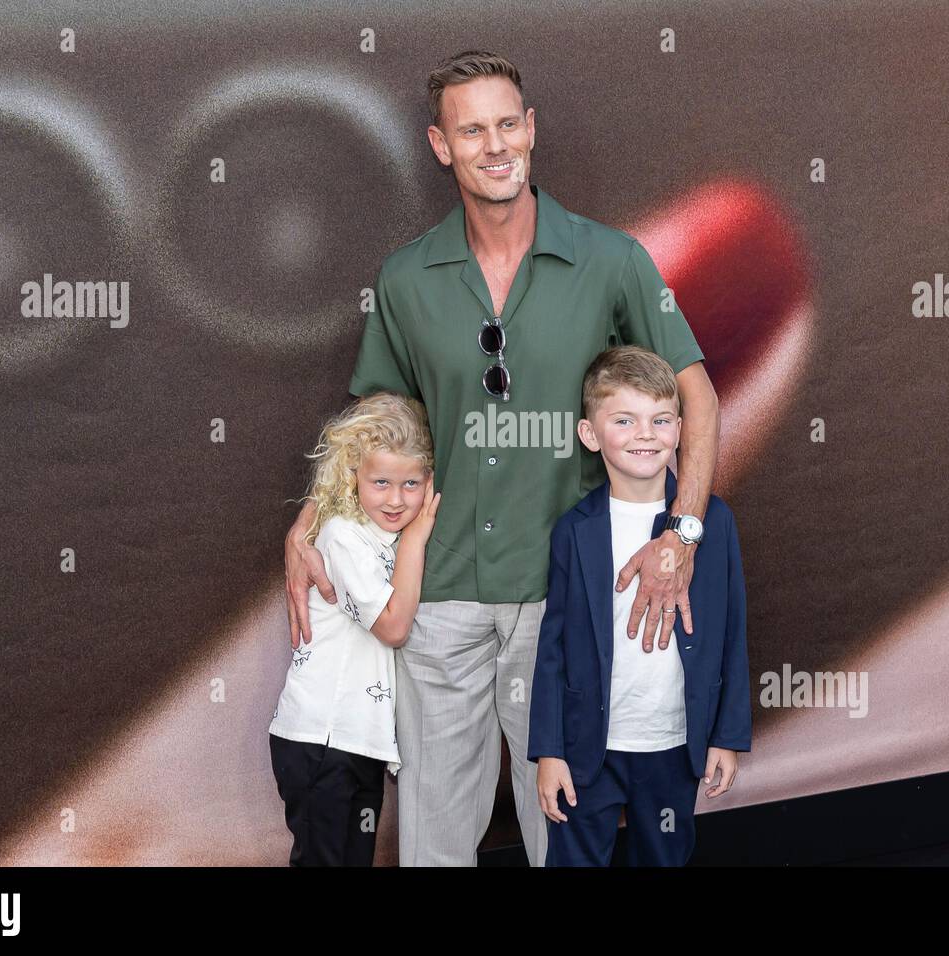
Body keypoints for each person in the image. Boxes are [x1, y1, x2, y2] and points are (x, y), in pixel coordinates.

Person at [284, 50, 721, 866]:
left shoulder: (612, 259)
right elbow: (377, 424)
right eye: (471, 128)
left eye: (507, 123)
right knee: (433, 843)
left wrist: (682, 535)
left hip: (565, 596)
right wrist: (311, 518)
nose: (495, 144)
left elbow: (700, 397)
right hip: (437, 593)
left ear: (531, 131)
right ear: (441, 146)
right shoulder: (406, 278)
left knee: (565, 834)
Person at [528, 346, 750, 866]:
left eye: (661, 419)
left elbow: (732, 633)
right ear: (590, 434)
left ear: (680, 427)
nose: (645, 434)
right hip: (589, 749)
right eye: (624, 420)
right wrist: (549, 750)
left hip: (674, 745)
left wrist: (728, 735)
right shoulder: (573, 530)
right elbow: (553, 647)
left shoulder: (711, 525)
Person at [269, 392, 440, 865]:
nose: (396, 498)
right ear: (353, 477)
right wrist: (417, 539)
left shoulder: (388, 531)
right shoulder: (343, 534)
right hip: (321, 739)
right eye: (381, 481)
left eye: (411, 483)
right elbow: (393, 626)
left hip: (359, 741)